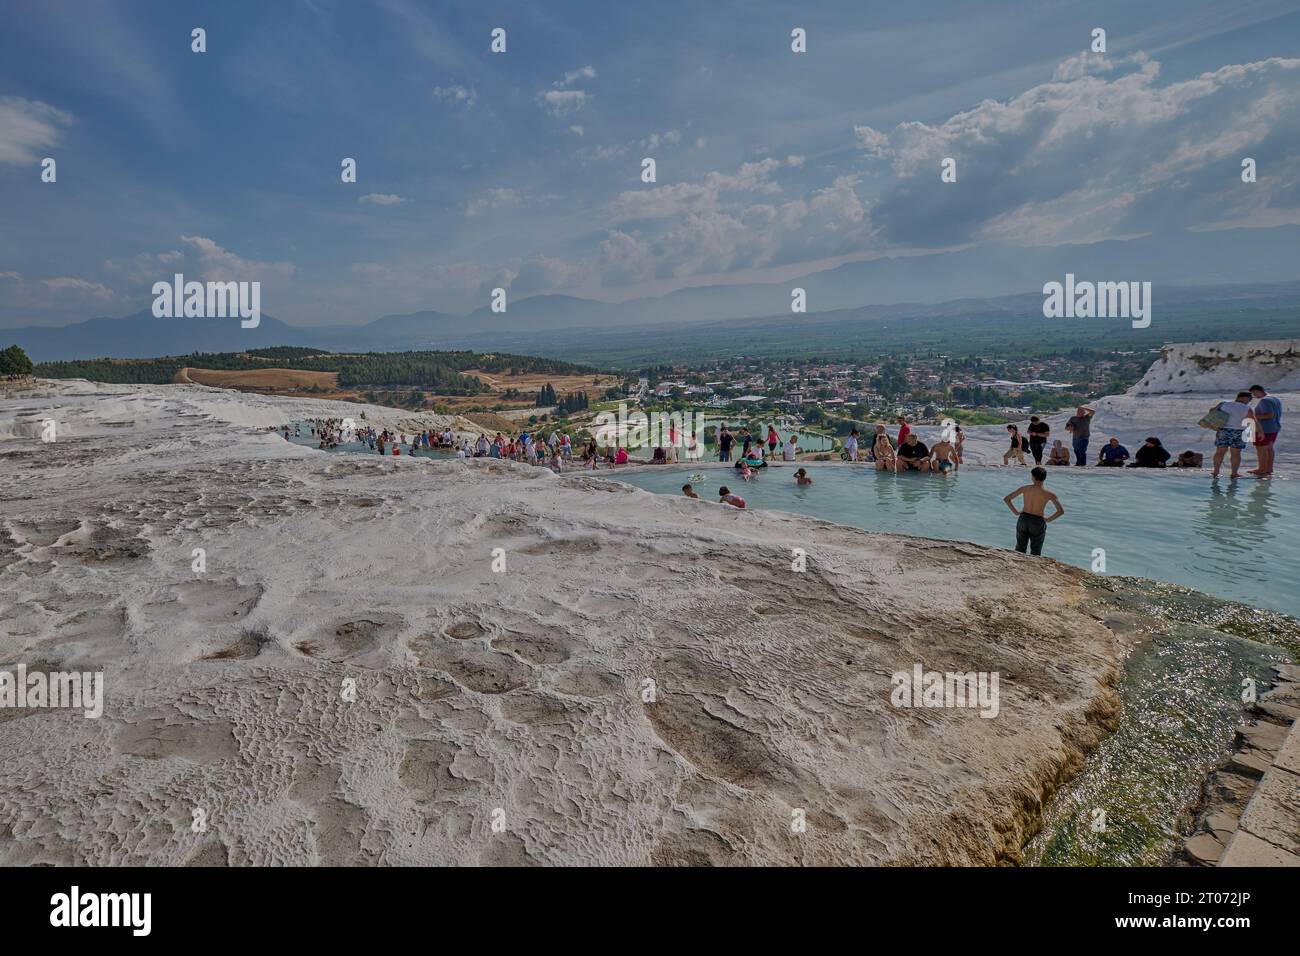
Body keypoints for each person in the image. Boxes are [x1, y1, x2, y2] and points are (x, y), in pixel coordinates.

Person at [1003, 467, 1064, 556]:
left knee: (1020, 548)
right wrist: (1048, 519)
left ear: (1033, 477)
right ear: (1044, 478)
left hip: (1023, 518)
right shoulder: (1049, 494)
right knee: (1036, 551)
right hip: (1037, 521)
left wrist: (1016, 512)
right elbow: (1060, 511)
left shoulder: (1025, 488)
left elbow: (1007, 499)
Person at [1210, 391, 1253, 479]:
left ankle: (1216, 471)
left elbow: (1211, 411)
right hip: (1239, 431)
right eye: (1248, 400)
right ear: (1246, 399)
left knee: (1220, 452)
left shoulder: (1224, 404)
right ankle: (1234, 473)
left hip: (1223, 430)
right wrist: (1258, 432)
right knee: (1236, 454)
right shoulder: (1247, 408)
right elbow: (1251, 421)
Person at [1249, 384, 1282, 478]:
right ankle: (1268, 468)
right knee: (1269, 448)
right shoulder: (1275, 398)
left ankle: (1262, 469)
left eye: (1253, 393)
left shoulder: (1264, 400)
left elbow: (1269, 415)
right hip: (1274, 427)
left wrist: (1253, 417)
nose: (1254, 396)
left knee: (1261, 448)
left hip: (1264, 429)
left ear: (1256, 391)